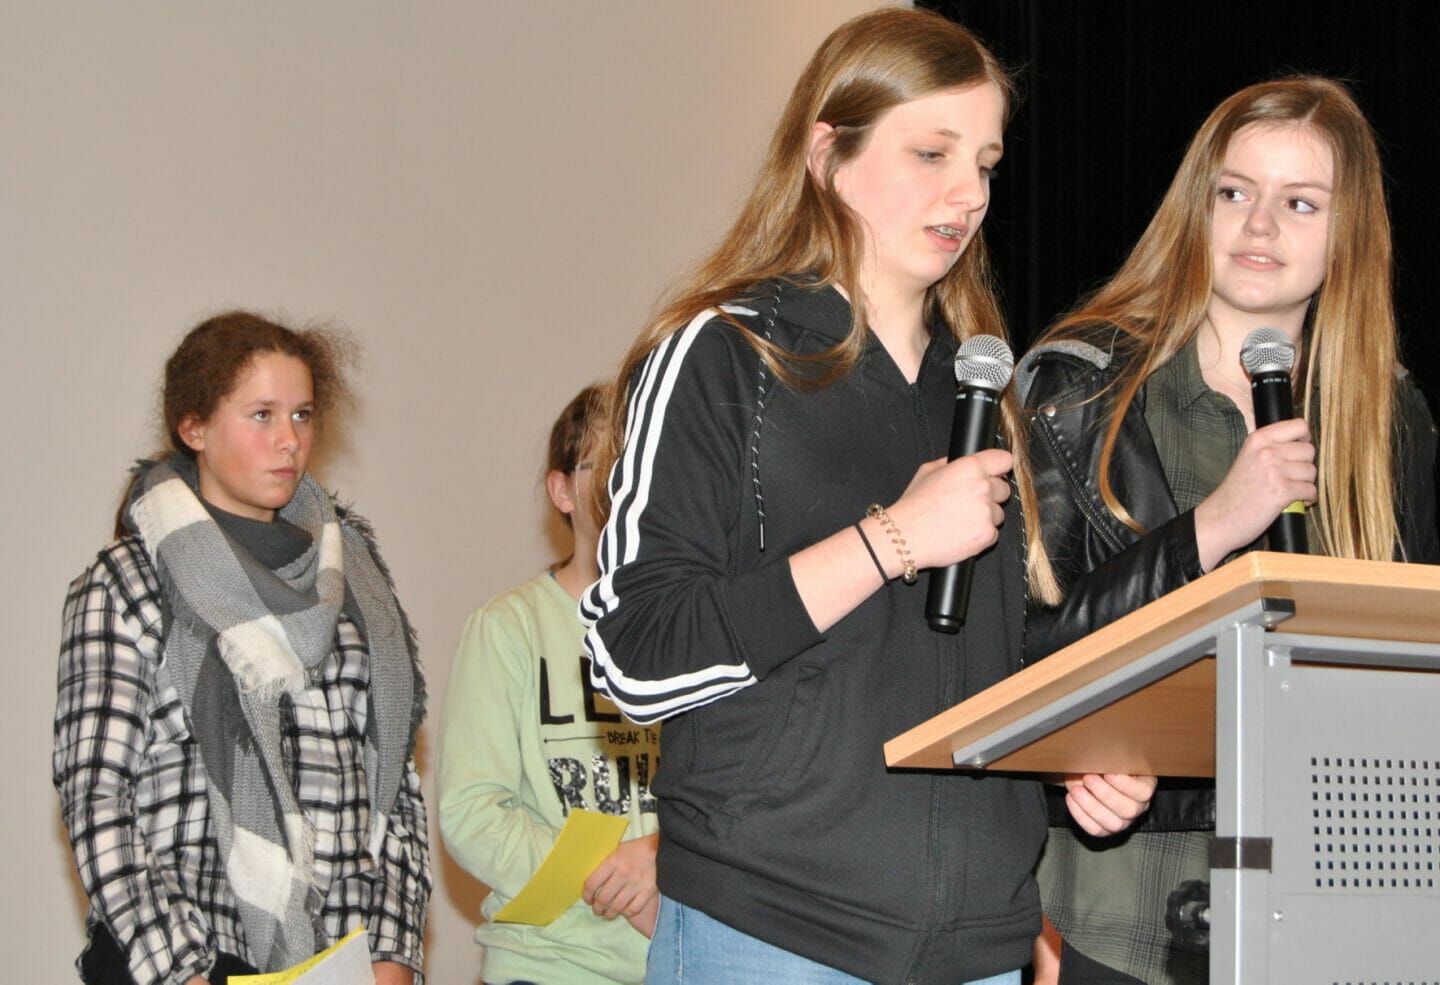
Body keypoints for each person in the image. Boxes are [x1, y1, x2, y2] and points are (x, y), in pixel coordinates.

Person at [577, 9, 1156, 984]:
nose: (968, 192)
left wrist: (1072, 753)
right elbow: (630, 656)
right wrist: (888, 539)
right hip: (774, 935)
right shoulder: (726, 354)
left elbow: (986, 670)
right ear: (827, 152)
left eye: (986, 160)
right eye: (931, 152)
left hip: (979, 945)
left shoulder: (986, 393)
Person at [1018, 76, 1439, 985]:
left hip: (1336, 903)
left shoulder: (1389, 414)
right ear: (1195, 205)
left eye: (1300, 202)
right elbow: (1017, 652)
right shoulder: (1079, 389)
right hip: (1133, 913)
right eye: (1235, 192)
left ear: (1347, 231)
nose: (1260, 226)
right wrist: (1214, 526)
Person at [53, 311, 431, 985]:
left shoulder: (354, 580)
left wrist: (393, 955)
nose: (290, 440)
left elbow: (397, 788)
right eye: (262, 415)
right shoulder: (127, 584)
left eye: (303, 414)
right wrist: (182, 972)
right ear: (194, 427)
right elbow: (97, 799)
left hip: (341, 961)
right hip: (182, 956)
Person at [437, 383, 660, 985]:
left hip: (680, 964)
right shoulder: (508, 628)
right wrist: (622, 881)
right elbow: (472, 813)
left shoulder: (694, 632)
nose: (624, 481)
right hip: (549, 966)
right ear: (561, 490)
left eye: (639, 457)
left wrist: (661, 855)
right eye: (603, 463)